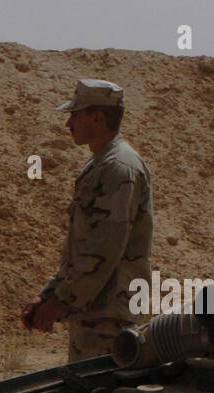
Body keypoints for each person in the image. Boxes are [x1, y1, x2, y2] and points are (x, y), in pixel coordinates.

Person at [20, 79, 153, 362]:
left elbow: (104, 248)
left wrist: (62, 300)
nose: (69, 124)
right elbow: (81, 248)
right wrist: (48, 295)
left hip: (111, 316)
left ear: (97, 116)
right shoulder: (102, 164)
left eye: (75, 115)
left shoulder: (119, 168)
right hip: (97, 311)